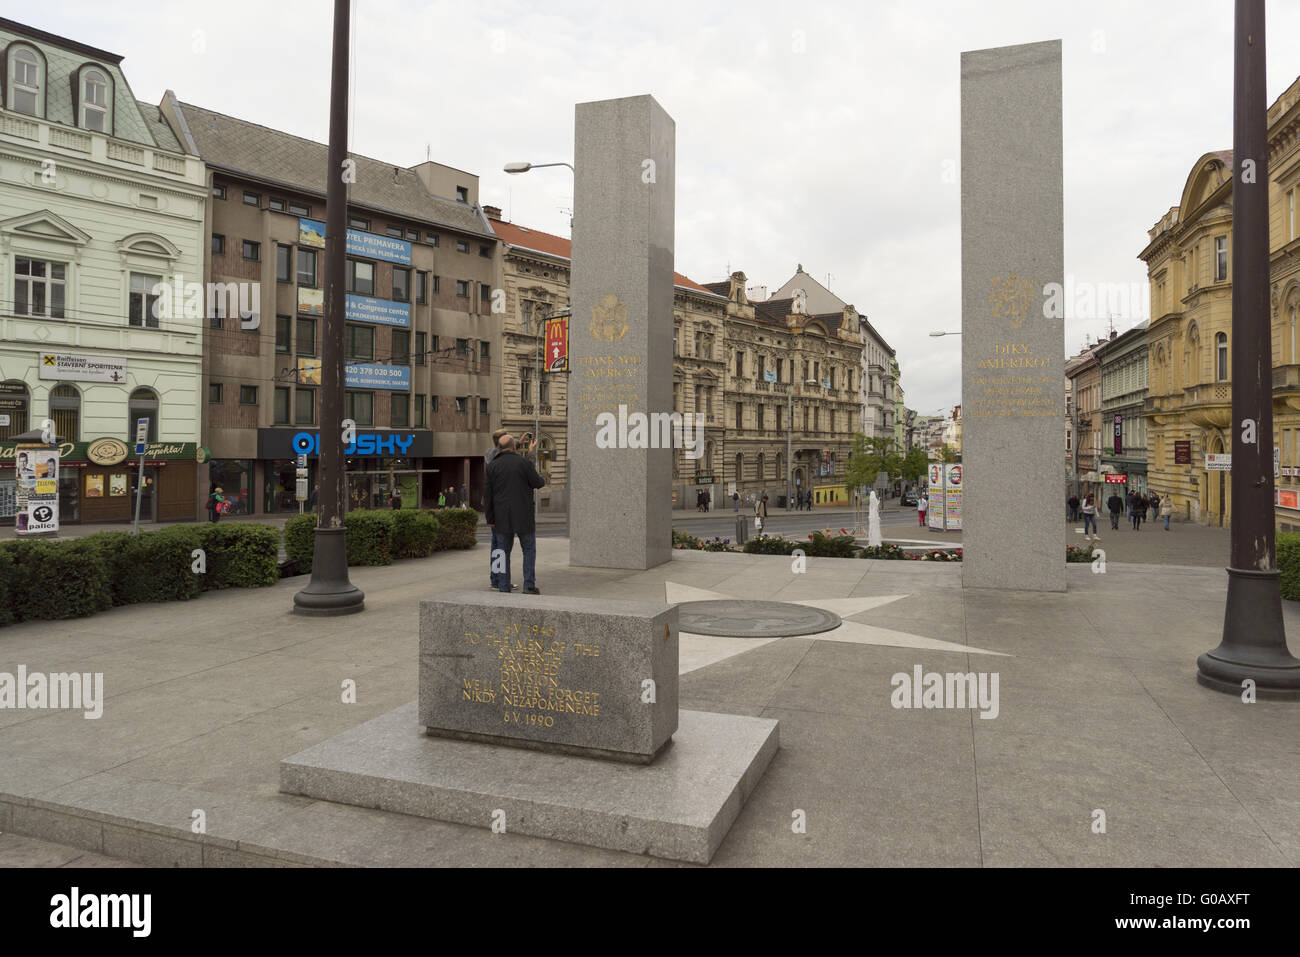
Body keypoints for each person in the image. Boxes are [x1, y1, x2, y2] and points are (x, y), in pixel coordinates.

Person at [485, 432, 545, 595]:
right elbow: (538, 483)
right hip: (523, 515)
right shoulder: (523, 463)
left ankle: (503, 586)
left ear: (499, 447)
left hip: (501, 517)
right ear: (513, 446)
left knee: (502, 552)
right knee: (528, 550)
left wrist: (490, 519)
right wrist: (532, 455)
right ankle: (529, 586)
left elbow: (487, 495)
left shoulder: (492, 466)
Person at [484, 428, 510, 589]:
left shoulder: (490, 455)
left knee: (496, 546)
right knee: (500, 547)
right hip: (498, 509)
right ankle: (499, 580)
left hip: (494, 508)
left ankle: (496, 579)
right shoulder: (495, 457)